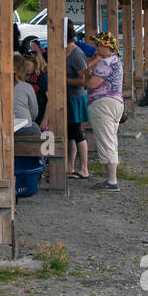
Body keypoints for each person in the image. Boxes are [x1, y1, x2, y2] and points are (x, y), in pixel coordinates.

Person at [85, 31, 124, 190]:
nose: (96, 47)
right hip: (116, 103)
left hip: (103, 104)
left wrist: (86, 72)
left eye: (99, 45)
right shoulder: (116, 61)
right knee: (111, 140)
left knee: (107, 142)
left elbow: (92, 84)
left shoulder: (105, 62)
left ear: (107, 46)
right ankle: (111, 179)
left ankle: (112, 181)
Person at [63, 21, 92, 179]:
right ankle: (70, 166)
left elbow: (84, 80)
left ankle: (84, 168)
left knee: (77, 132)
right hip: (68, 98)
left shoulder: (76, 53)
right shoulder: (65, 51)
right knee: (70, 133)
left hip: (76, 98)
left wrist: (64, 80)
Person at [12, 54, 40, 136]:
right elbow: (34, 112)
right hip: (23, 128)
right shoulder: (26, 87)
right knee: (35, 127)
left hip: (2, 128)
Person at [23, 52, 48, 129]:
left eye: (28, 65)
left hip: (42, 113)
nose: (26, 67)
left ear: (36, 64)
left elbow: (51, 100)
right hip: (33, 113)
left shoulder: (43, 78)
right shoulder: (30, 76)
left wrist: (45, 120)